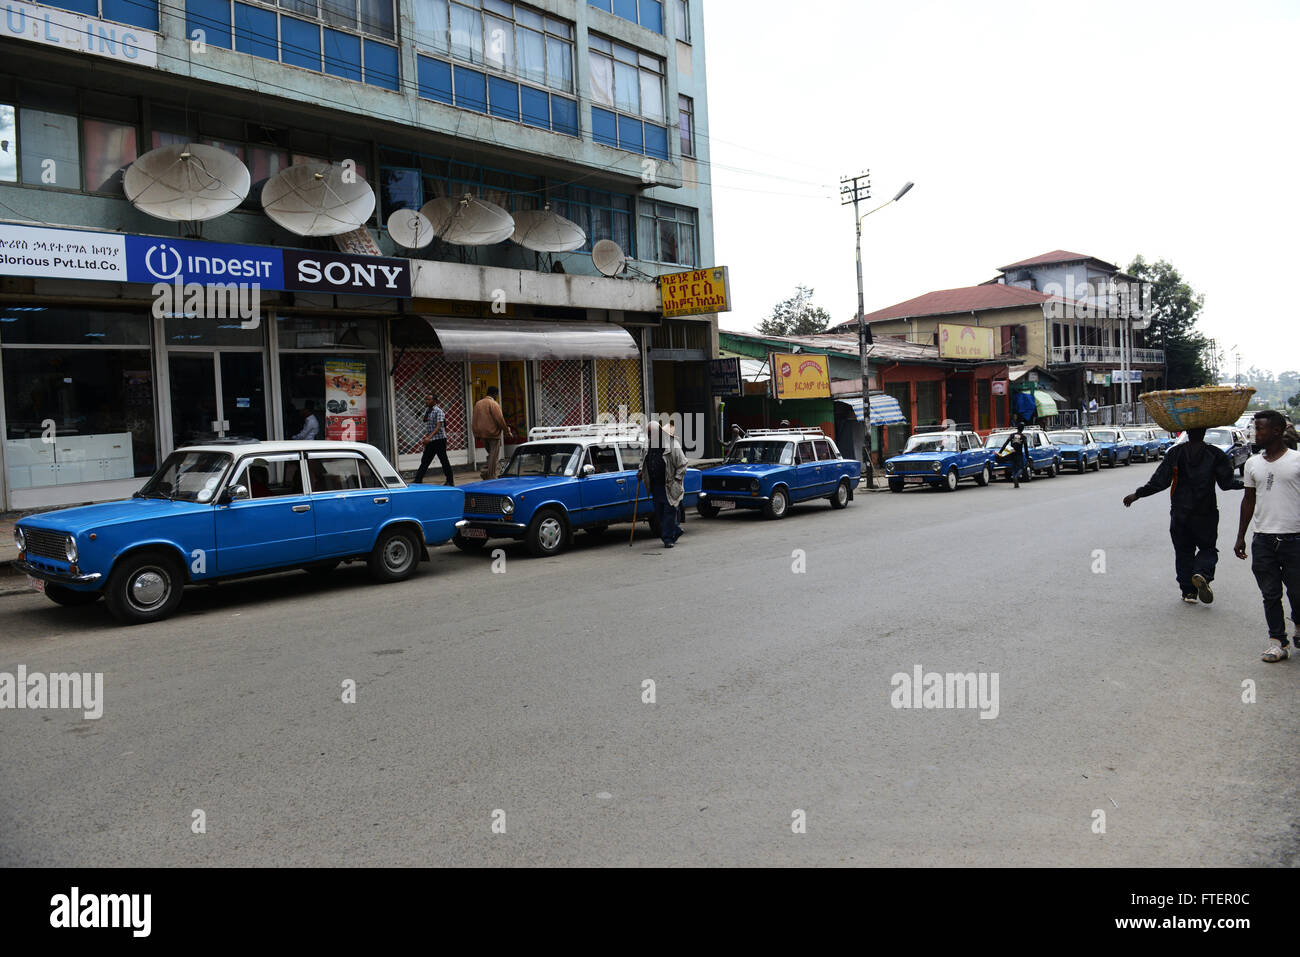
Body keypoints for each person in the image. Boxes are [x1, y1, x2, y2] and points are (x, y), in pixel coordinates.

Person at [1124, 426, 1243, 604]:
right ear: (1204, 433)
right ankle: (1201, 573)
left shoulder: (1175, 453)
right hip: (1206, 512)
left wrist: (1137, 494)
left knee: (1183, 552)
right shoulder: (1215, 454)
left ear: (1186, 433)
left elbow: (1160, 481)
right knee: (1208, 549)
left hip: (1180, 513)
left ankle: (1188, 592)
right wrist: (1246, 484)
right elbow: (1226, 484)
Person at [1233, 409, 1300, 662]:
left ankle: (1299, 627)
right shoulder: (1252, 463)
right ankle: (1277, 642)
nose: (1255, 433)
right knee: (1270, 593)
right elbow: (1248, 500)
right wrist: (1240, 536)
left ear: (1276, 431)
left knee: (1297, 592)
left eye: (1259, 428)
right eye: (1254, 428)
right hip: (1262, 540)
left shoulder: (1297, 461)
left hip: (1295, 538)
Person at [638, 421, 687, 548]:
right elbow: (642, 459)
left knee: (669, 512)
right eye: (647, 433)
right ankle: (676, 530)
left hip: (669, 485)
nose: (648, 436)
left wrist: (677, 479)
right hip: (655, 485)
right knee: (659, 513)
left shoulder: (672, 444)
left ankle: (667, 539)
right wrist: (640, 470)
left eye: (650, 433)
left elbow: (683, 463)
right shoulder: (647, 445)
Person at [471, 386, 514, 480]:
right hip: (493, 434)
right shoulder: (493, 403)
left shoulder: (478, 404)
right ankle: (489, 475)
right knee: (493, 457)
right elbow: (500, 419)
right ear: (495, 394)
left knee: (491, 455)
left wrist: (476, 433)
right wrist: (507, 431)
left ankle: (486, 473)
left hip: (482, 434)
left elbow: (474, 419)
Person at [412, 391, 453, 486]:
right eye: (426, 399)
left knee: (444, 460)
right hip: (431, 440)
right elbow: (425, 421)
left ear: (435, 401)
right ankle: (418, 480)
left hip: (439, 440)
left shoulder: (439, 411)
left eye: (429, 399)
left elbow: (438, 427)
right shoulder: (428, 411)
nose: (426, 401)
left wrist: (428, 438)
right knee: (425, 460)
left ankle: (450, 481)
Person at [996, 421, 1029, 488]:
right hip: (1019, 454)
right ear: (1022, 429)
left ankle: (1015, 481)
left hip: (1012, 453)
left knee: (1014, 467)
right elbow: (1026, 448)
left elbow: (1005, 444)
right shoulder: (1023, 437)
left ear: (1017, 428)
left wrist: (1000, 452)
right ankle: (1016, 477)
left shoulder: (1012, 435)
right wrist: (1027, 457)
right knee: (1021, 468)